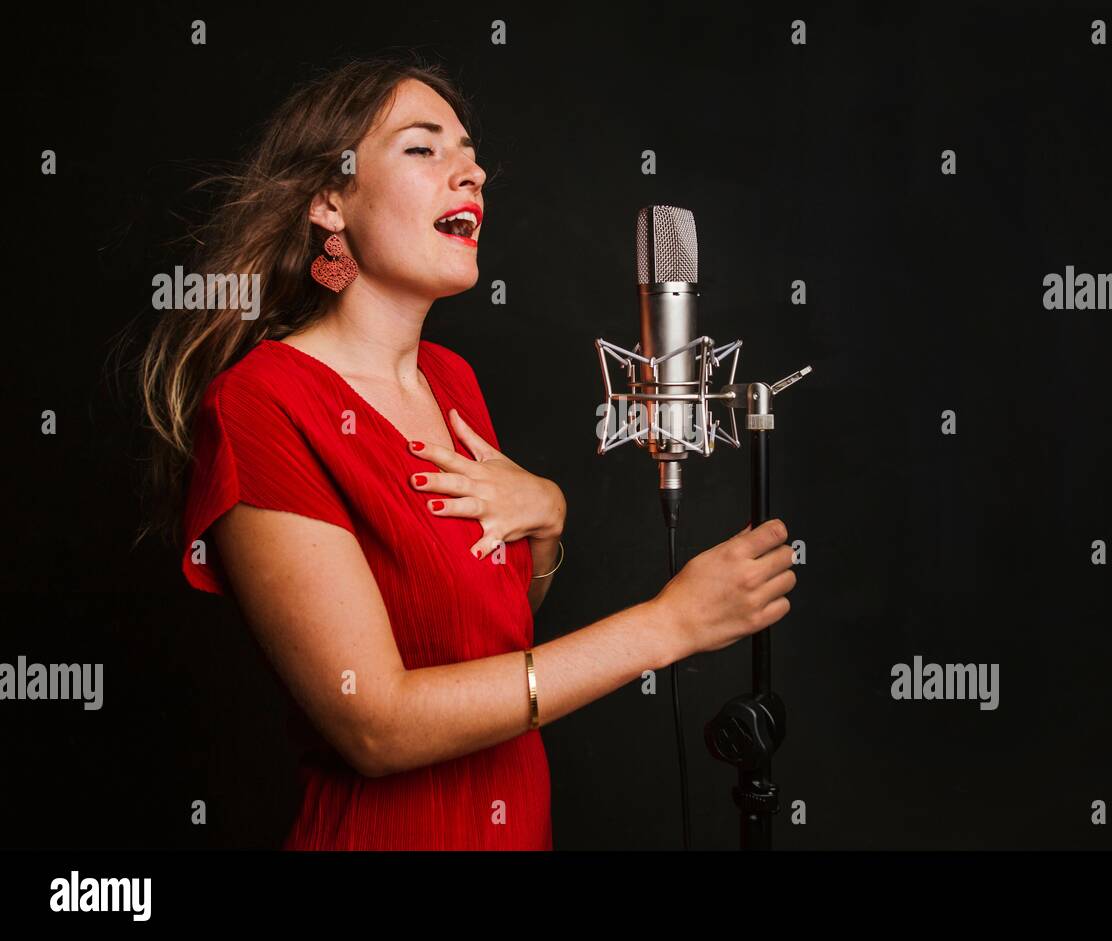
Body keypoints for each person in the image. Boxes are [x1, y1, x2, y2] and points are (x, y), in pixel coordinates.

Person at [135, 54, 797, 850]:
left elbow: (482, 641)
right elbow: (376, 727)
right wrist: (663, 628)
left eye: (471, 151)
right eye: (424, 148)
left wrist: (548, 521)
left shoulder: (452, 383)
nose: (472, 171)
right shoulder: (261, 404)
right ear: (329, 202)